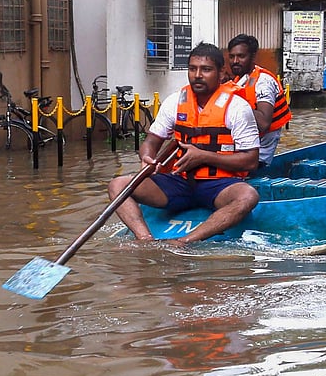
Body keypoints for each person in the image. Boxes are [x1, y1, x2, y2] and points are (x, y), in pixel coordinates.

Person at [108, 43, 261, 246]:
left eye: (206, 69)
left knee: (248, 196)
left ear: (220, 72)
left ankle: (185, 241)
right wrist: (147, 158)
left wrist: (205, 156)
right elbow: (151, 141)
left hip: (218, 185)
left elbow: (251, 161)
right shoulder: (174, 102)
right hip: (179, 182)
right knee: (117, 185)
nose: (197, 75)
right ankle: (145, 240)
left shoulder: (237, 107)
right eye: (192, 69)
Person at [227, 34, 292, 166]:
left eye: (241, 56)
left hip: (258, 156)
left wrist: (234, 103)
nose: (235, 61)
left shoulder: (263, 82)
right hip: (242, 147)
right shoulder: (238, 80)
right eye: (232, 56)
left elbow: (263, 123)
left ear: (253, 56)